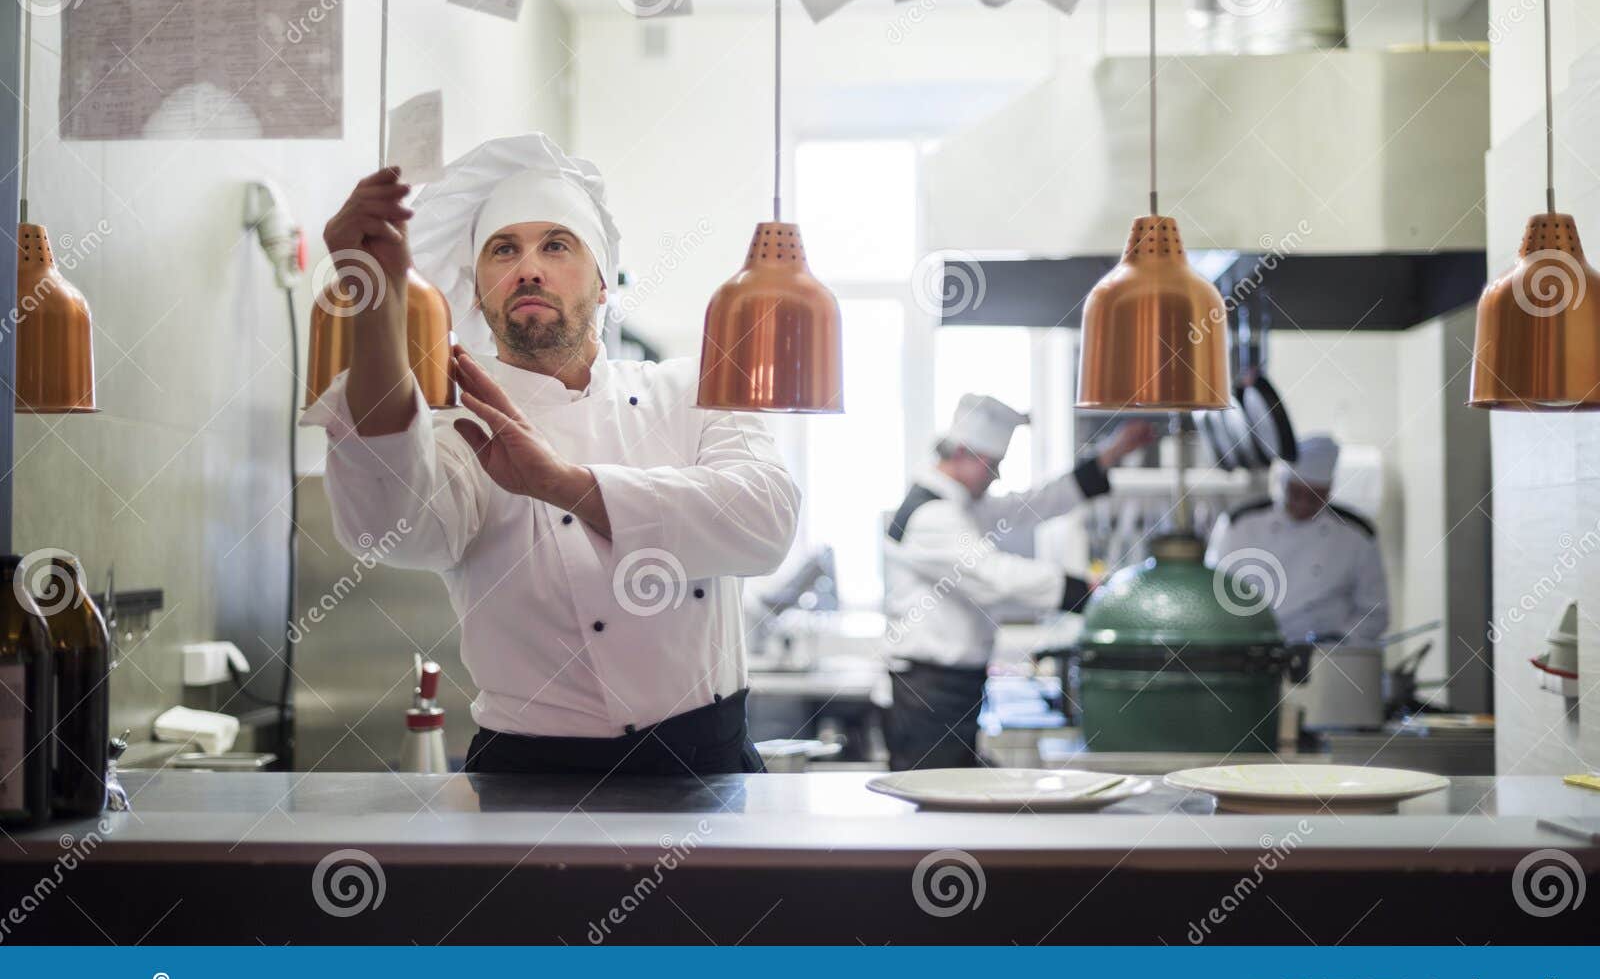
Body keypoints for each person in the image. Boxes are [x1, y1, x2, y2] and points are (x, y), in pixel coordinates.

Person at [301, 134, 800, 776]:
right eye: (503, 249)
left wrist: (565, 484)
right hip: (528, 779)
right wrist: (378, 295)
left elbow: (765, 525)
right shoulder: (459, 421)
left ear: (601, 283)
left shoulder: (693, 387)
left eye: (556, 245)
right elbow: (391, 532)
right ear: (477, 293)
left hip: (706, 772)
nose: (528, 267)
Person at [880, 395, 1156, 770]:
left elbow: (1031, 506)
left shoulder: (962, 504)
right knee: (932, 810)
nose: (996, 476)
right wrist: (1084, 590)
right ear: (961, 453)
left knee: (949, 804)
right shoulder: (931, 516)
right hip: (930, 692)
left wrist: (1110, 455)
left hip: (950, 687)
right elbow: (993, 577)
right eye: (991, 465)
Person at [1204, 434, 1389, 643]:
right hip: (1252, 650)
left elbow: (1375, 611)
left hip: (1323, 659)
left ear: (1328, 492)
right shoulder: (1239, 524)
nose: (1303, 504)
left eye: (1314, 497)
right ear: (1284, 485)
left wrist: (1340, 639)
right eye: (1296, 493)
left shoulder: (1356, 535)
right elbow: (1212, 597)